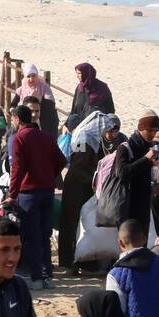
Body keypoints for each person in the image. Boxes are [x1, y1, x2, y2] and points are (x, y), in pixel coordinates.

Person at [8, 104, 67, 290]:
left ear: (18, 120)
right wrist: (50, 175)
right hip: (47, 191)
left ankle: (36, 278)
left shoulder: (20, 138)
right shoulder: (47, 137)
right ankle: (47, 275)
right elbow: (62, 160)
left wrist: (12, 194)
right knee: (44, 235)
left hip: (28, 194)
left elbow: (17, 168)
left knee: (30, 236)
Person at [60, 111, 121, 271]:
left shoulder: (89, 138)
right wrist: (95, 178)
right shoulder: (84, 139)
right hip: (76, 186)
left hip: (82, 185)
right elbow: (78, 165)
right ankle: (69, 262)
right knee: (72, 223)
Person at [65, 63, 115, 131]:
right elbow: (74, 109)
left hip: (97, 129)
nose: (77, 76)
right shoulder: (80, 88)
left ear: (86, 73)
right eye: (77, 73)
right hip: (79, 129)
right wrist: (67, 125)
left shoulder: (102, 88)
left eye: (79, 73)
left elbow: (110, 109)